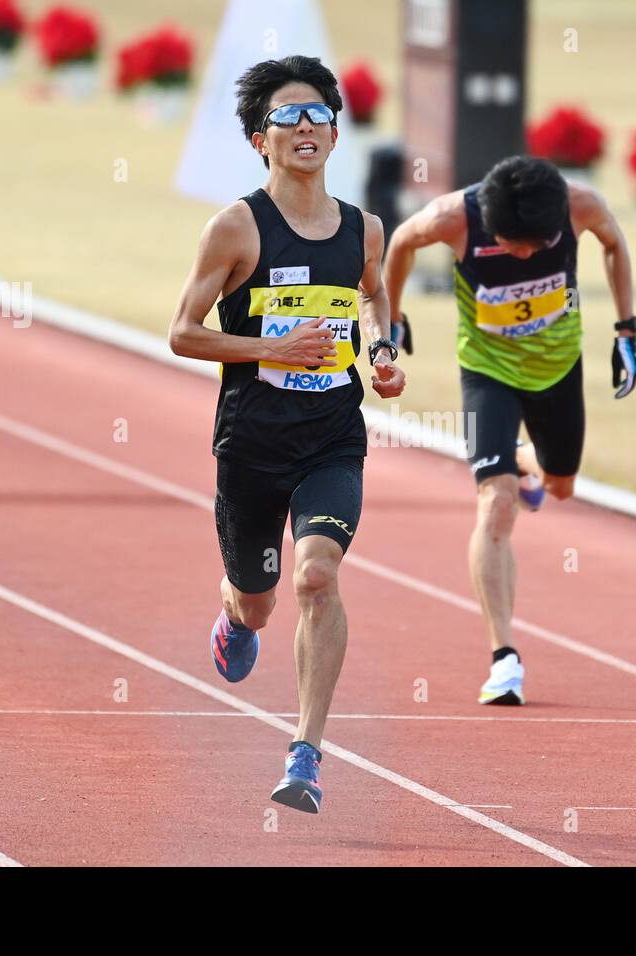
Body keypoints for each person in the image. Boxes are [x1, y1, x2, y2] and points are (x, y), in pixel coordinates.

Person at [169, 55, 405, 814]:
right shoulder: (236, 227)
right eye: (287, 118)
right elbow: (182, 333)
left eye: (317, 116)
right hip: (251, 446)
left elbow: (374, 302)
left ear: (336, 133)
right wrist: (270, 348)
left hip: (332, 437)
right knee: (262, 600)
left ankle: (306, 751)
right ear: (257, 141)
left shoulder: (365, 230)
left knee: (317, 577)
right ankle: (236, 615)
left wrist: (381, 352)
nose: (305, 128)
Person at [383, 155, 636, 706]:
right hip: (487, 371)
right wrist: (393, 316)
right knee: (496, 503)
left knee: (561, 485)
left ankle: (526, 463)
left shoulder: (579, 204)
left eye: (535, 247)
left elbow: (614, 243)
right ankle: (505, 658)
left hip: (557, 368)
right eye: (513, 245)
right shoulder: (453, 217)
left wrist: (626, 330)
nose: (524, 255)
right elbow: (401, 243)